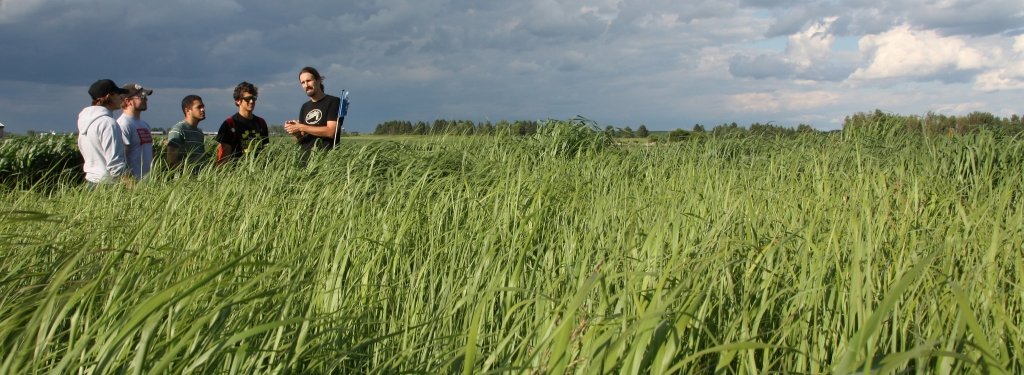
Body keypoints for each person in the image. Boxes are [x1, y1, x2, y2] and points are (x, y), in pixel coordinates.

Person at [77, 79, 132, 186]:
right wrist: (133, 187)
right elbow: (115, 165)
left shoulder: (85, 121)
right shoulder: (108, 123)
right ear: (108, 96)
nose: (121, 97)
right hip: (107, 185)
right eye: (117, 93)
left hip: (90, 182)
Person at [283, 67, 341, 151]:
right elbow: (301, 138)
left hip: (325, 159)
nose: (306, 85)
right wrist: (295, 131)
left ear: (318, 80)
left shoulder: (333, 102)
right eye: (303, 82)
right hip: (305, 160)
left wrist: (301, 127)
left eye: (308, 81)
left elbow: (331, 132)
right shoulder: (305, 106)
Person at [215, 81, 269, 164]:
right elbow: (223, 158)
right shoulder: (229, 124)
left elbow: (265, 152)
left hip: (258, 173)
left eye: (253, 98)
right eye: (247, 99)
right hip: (236, 173)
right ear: (238, 101)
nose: (251, 101)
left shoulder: (261, 123)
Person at [117, 83, 154, 180]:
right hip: (133, 184)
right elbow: (121, 158)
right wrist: (129, 184)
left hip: (147, 183)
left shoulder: (145, 125)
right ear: (128, 101)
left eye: (145, 96)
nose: (146, 99)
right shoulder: (123, 124)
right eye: (141, 96)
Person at [166, 95, 208, 174]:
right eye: (199, 107)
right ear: (187, 110)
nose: (203, 109)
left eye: (203, 107)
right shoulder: (178, 129)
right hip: (184, 182)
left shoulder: (199, 133)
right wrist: (187, 174)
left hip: (199, 181)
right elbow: (171, 159)